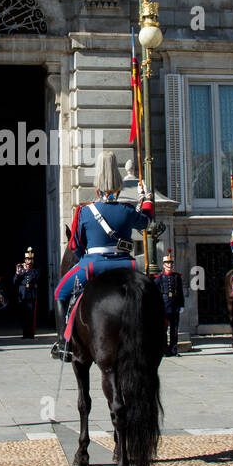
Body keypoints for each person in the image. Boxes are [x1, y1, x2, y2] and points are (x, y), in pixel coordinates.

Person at [52, 150, 155, 360]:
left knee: (60, 294)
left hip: (93, 265)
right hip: (127, 265)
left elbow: (76, 246)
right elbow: (146, 221)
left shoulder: (85, 212)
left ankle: (63, 344)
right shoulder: (127, 210)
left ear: (97, 186)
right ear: (118, 185)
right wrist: (146, 199)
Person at [155, 253, 185, 358]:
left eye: (171, 263)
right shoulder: (159, 278)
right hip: (164, 306)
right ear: (163, 265)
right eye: (167, 263)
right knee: (163, 329)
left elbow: (180, 292)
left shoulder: (177, 277)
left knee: (174, 329)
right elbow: (156, 293)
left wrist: (182, 305)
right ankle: (164, 349)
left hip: (175, 306)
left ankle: (173, 349)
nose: (169, 265)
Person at [13, 247, 39, 339]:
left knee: (31, 316)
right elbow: (15, 281)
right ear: (25, 260)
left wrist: (27, 270)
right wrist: (18, 272)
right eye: (28, 259)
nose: (29, 261)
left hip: (31, 295)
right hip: (23, 295)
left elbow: (34, 278)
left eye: (30, 259)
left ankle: (31, 333)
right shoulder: (21, 271)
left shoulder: (34, 271)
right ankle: (25, 333)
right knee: (24, 315)